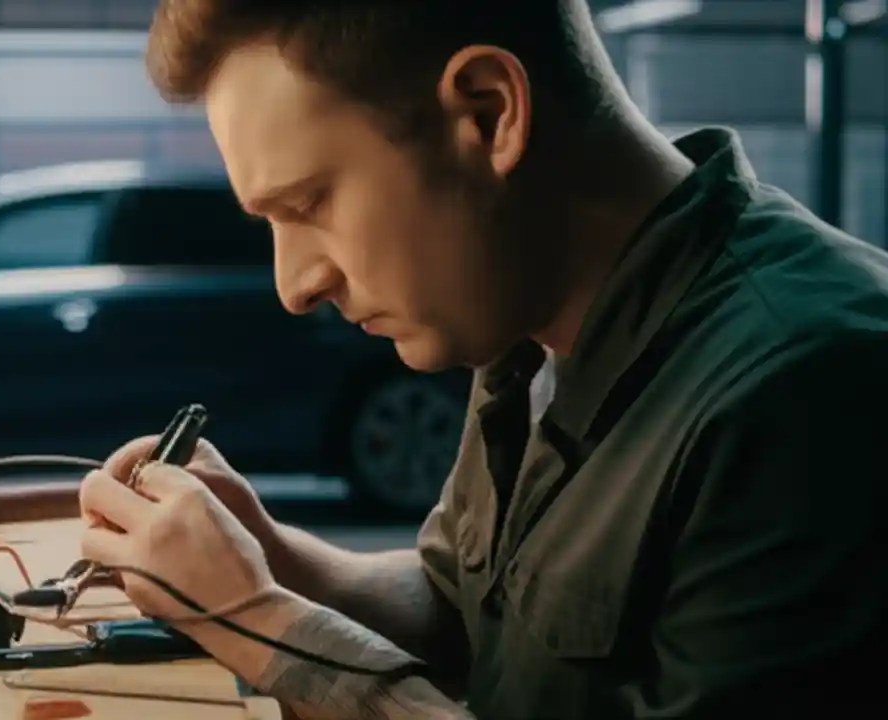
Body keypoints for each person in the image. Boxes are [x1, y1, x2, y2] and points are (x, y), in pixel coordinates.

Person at [76, 1, 887, 718]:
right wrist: (270, 556)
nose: (294, 286)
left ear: (489, 113)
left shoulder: (808, 389)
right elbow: (461, 609)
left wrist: (253, 620)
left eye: (309, 202)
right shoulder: (524, 320)